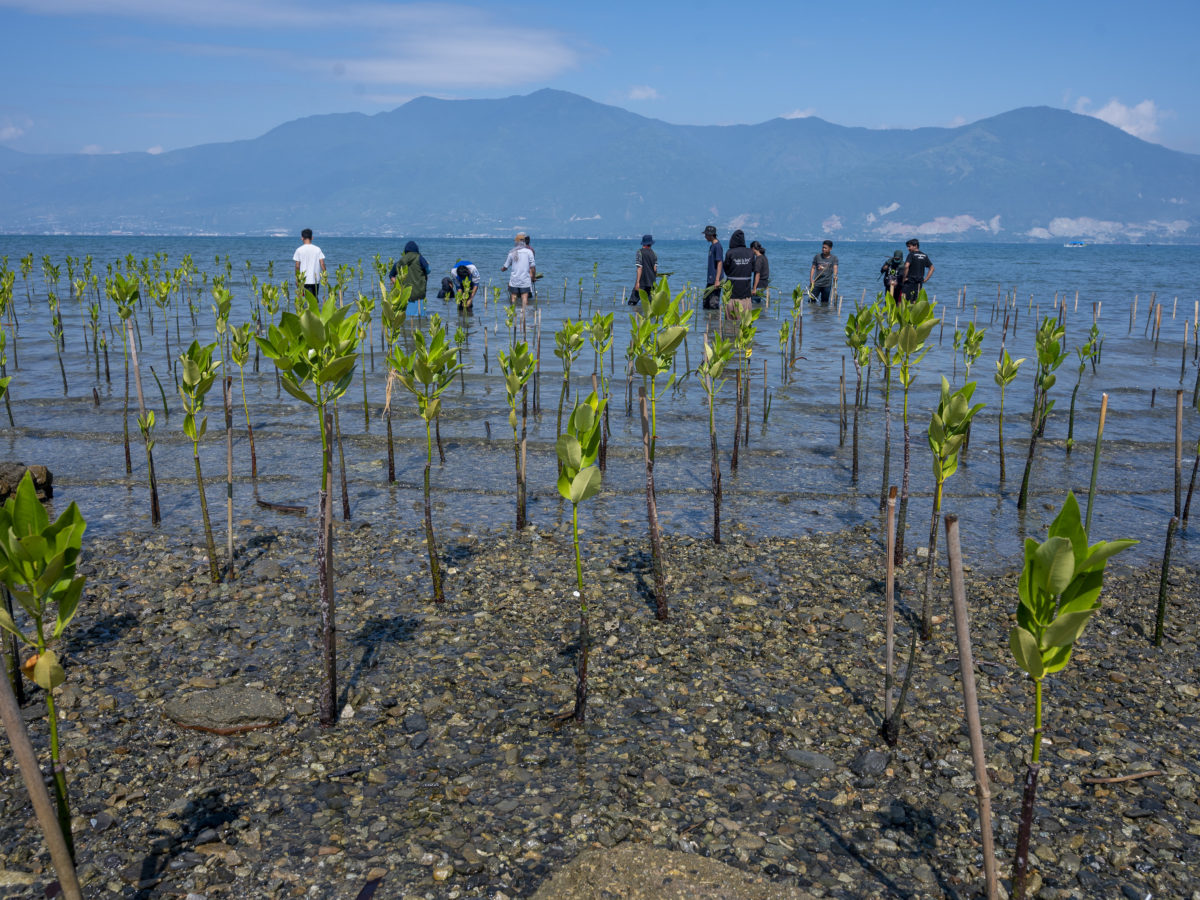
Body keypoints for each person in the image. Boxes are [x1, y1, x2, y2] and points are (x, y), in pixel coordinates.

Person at [388, 240, 430, 313]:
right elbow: (428, 270)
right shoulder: (420, 258)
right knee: (420, 317)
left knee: (406, 316)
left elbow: (391, 275)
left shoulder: (400, 261)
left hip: (405, 296)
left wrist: (398, 284)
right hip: (419, 296)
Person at [723, 229, 755, 318]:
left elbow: (726, 268)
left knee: (730, 321)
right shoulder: (750, 252)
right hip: (746, 293)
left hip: (732, 294)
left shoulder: (730, 252)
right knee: (745, 321)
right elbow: (753, 268)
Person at [502, 233, 536, 307]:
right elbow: (533, 267)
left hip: (514, 279)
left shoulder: (512, 252)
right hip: (525, 279)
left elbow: (506, 266)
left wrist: (502, 269)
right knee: (525, 298)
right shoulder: (529, 252)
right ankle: (524, 313)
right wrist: (533, 277)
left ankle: (513, 313)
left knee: (513, 298)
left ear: (516, 242)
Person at [293, 228, 326, 298]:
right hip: (315, 280)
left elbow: (297, 266)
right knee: (314, 299)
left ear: (302, 238)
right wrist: (325, 276)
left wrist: (297, 279)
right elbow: (322, 264)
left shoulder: (299, 250)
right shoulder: (317, 249)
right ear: (312, 238)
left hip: (303, 280)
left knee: (305, 300)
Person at [808, 240, 838, 304]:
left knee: (824, 303)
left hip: (827, 284)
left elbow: (835, 267)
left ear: (830, 249)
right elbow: (813, 268)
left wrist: (835, 276)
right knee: (811, 302)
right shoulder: (817, 257)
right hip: (816, 283)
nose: (823, 249)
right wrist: (811, 279)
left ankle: (823, 311)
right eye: (823, 247)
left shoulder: (834, 258)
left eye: (825, 248)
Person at [631, 234, 657, 304]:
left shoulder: (639, 252)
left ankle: (633, 311)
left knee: (632, 302)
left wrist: (637, 282)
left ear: (643, 243)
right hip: (652, 282)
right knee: (650, 304)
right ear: (651, 243)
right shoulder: (654, 253)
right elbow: (655, 269)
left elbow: (639, 268)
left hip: (642, 281)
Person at [702, 225, 723, 310]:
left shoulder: (717, 246)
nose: (705, 237)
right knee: (706, 302)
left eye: (706, 235)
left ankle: (715, 318)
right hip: (710, 280)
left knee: (713, 304)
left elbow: (720, 262)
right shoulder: (712, 246)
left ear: (711, 235)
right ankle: (707, 318)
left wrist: (717, 280)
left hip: (715, 280)